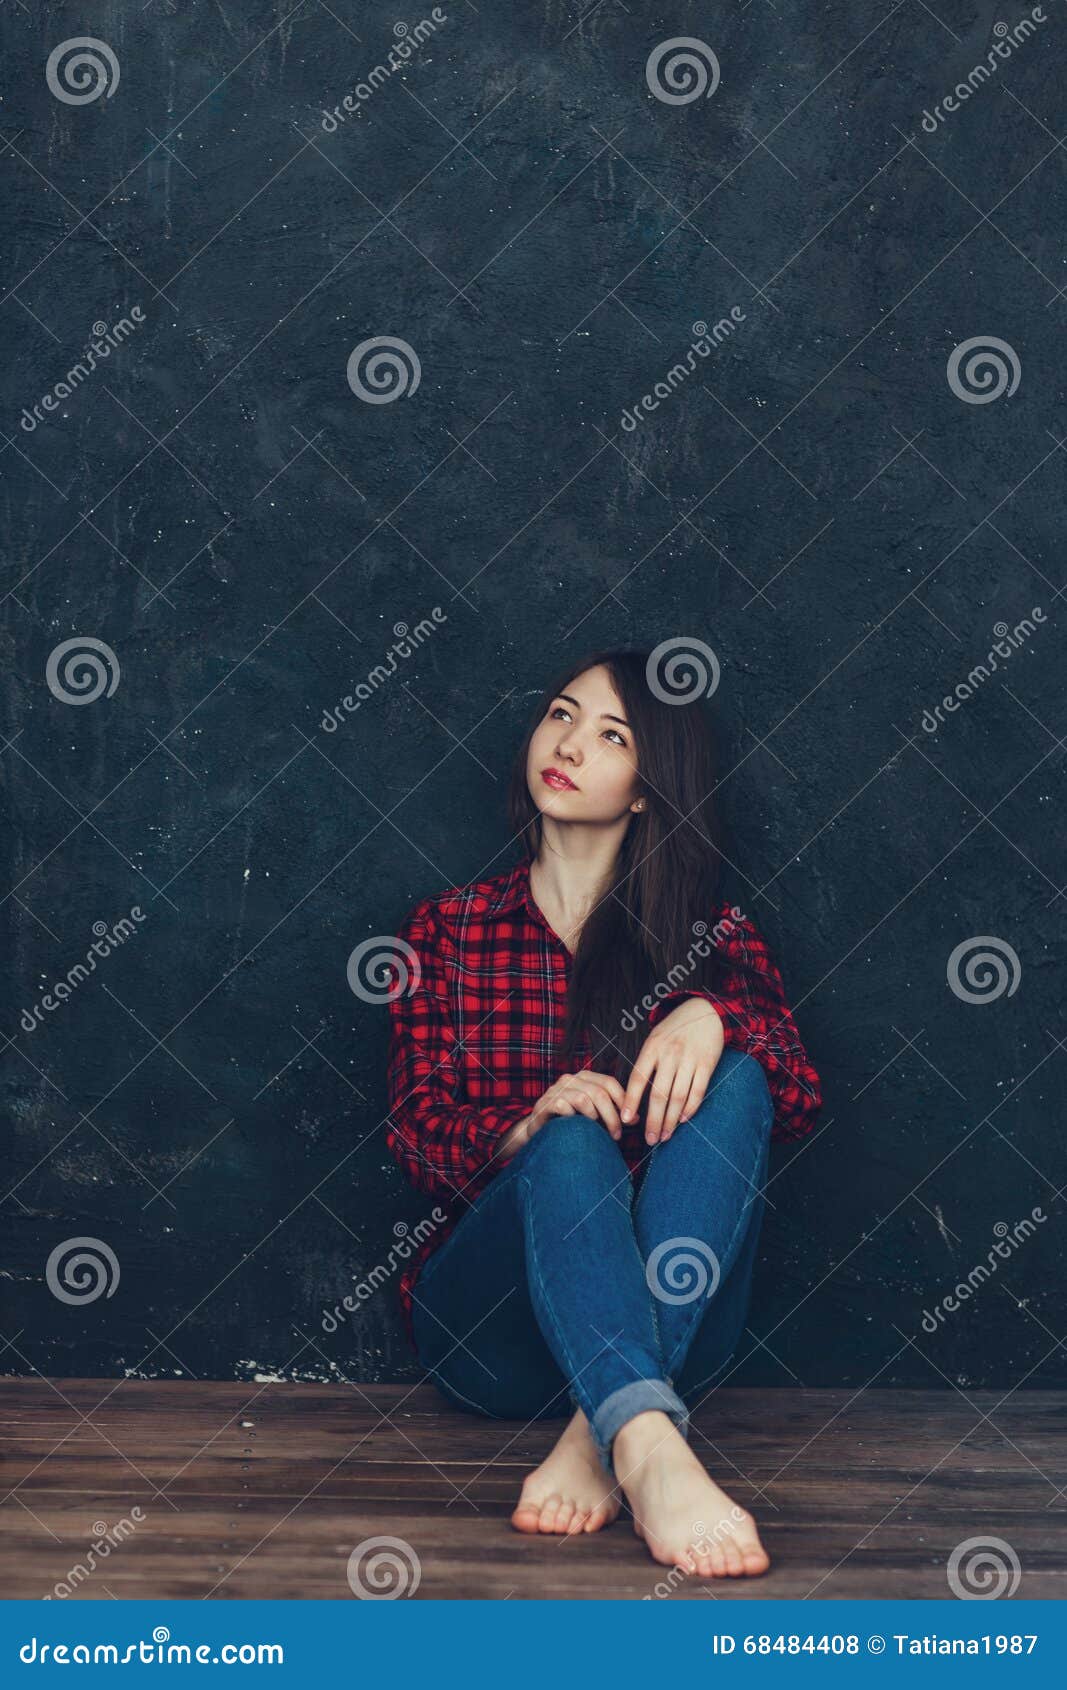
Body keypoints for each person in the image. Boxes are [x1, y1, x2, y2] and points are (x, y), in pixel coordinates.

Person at [384, 645, 823, 1578]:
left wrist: (714, 1014)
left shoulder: (709, 936)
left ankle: (611, 1430)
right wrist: (531, 1125)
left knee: (740, 1071)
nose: (570, 743)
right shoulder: (445, 930)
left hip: (674, 1322)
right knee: (573, 1132)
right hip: (494, 1338)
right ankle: (642, 1433)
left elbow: (795, 1092)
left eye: (611, 734)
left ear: (644, 790)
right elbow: (415, 1133)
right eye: (559, 715)